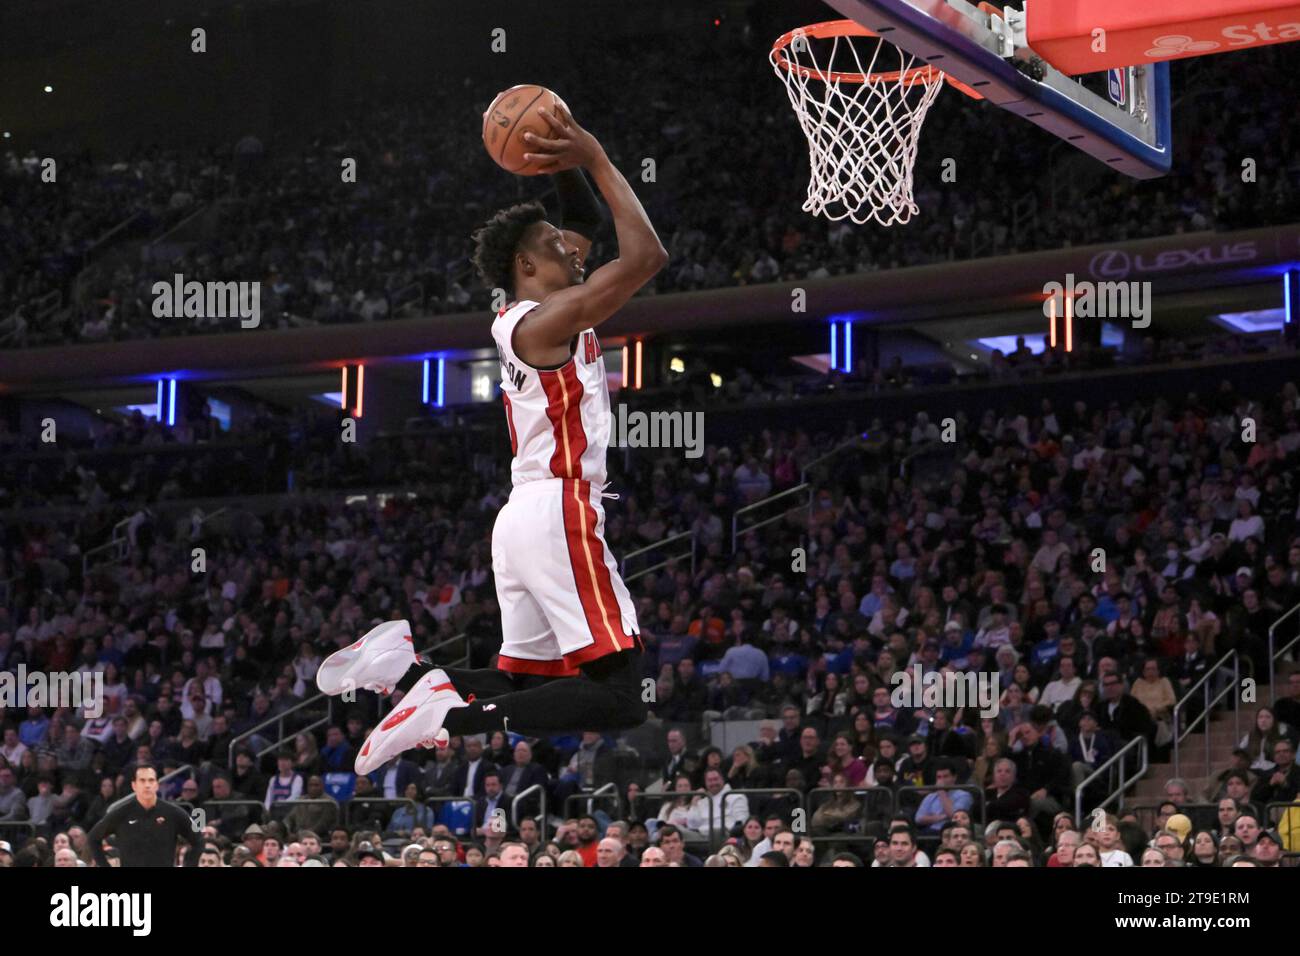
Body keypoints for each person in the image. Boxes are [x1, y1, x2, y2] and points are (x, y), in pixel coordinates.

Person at [316, 101, 667, 770]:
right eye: (554, 248)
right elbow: (647, 254)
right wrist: (591, 154)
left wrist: (560, 161)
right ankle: (445, 711)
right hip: (560, 508)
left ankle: (406, 672)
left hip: (523, 517)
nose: (570, 248)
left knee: (530, 686)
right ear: (527, 269)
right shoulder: (545, 321)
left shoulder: (529, 307)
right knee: (620, 697)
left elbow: (587, 220)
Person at [85, 763, 203, 867]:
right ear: (134, 785)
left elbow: (198, 840)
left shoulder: (173, 813)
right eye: (142, 780)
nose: (147, 785)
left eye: (151, 780)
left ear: (157, 785)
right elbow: (93, 838)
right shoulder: (121, 813)